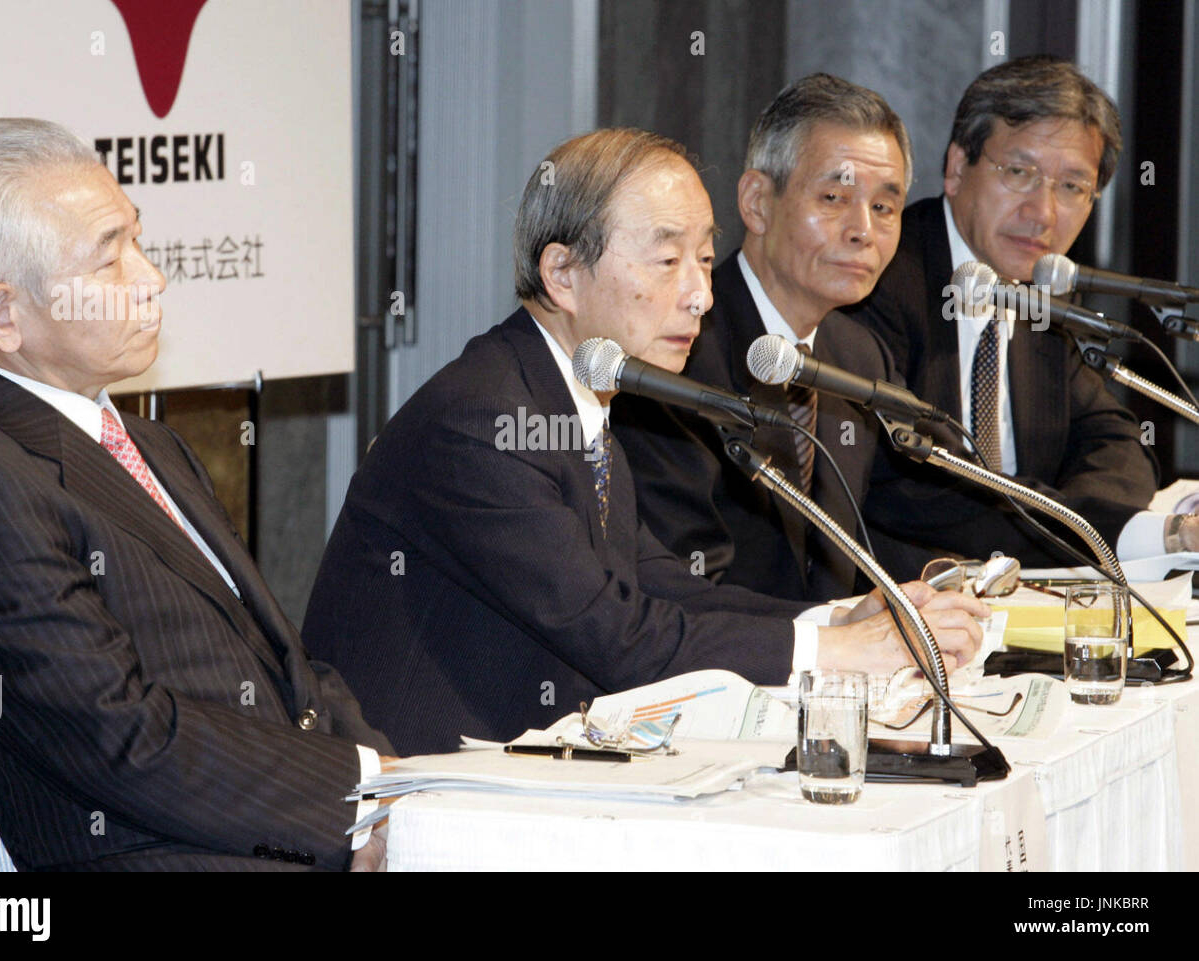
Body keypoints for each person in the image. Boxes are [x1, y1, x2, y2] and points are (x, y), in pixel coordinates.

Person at [301, 128, 987, 757]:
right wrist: (834, 649)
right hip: (418, 794)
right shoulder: (484, 419)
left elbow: (661, 585)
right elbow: (618, 636)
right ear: (563, 274)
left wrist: (839, 614)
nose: (700, 295)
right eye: (666, 260)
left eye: (705, 260)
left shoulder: (573, 395)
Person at [0, 119, 391, 871]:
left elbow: (284, 661)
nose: (152, 276)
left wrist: (395, 778)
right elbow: (121, 737)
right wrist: (351, 801)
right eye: (109, 258)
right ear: (5, 316)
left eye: (139, 238)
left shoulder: (145, 440)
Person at [847, 56, 1176, 573]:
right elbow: (911, 488)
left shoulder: (1047, 299)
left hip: (1028, 588)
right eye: (1020, 173)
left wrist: (1069, 530)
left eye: (1072, 186)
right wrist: (1087, 530)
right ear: (956, 168)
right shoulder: (879, 280)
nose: (1042, 213)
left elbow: (1117, 445)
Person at [612, 74, 917, 601]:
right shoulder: (675, 350)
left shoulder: (858, 355)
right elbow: (683, 584)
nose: (863, 229)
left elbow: (898, 521)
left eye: (884, 208)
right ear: (757, 202)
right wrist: (835, 634)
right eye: (834, 196)